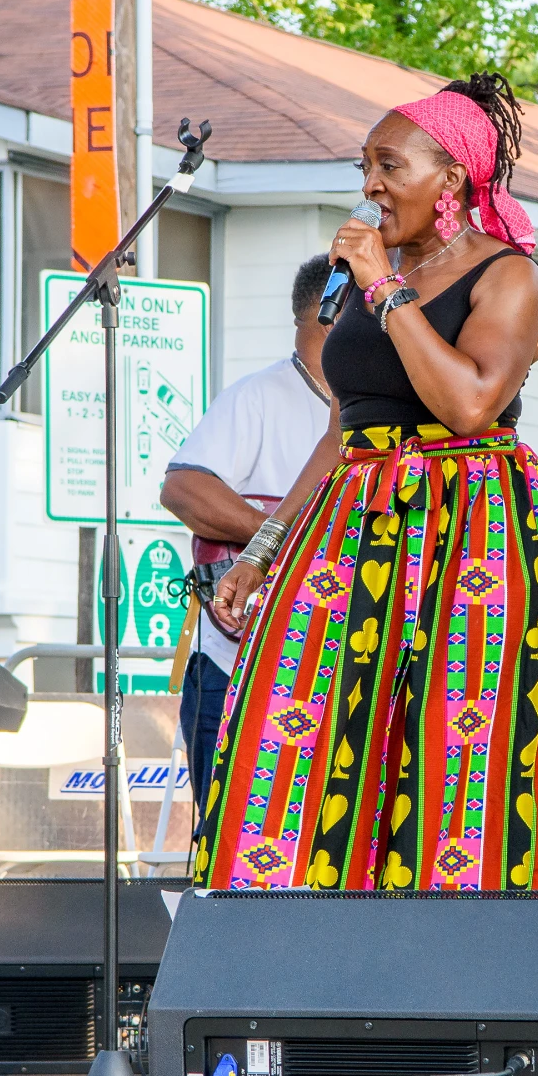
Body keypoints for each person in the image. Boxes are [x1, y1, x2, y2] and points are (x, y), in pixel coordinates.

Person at [194, 72, 538, 893]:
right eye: (365, 167)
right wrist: (262, 548)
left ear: (453, 179)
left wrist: (384, 288)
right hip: (356, 514)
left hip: (471, 521)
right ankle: (292, 933)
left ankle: (466, 950)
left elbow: (471, 403)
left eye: (389, 166)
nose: (370, 185)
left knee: (457, 742)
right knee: (291, 726)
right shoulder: (371, 286)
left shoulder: (507, 276)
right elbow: (346, 427)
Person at [160, 255, 334, 820]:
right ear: (334, 313)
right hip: (236, 670)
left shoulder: (376, 416)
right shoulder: (259, 396)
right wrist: (278, 541)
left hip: (327, 673)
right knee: (225, 838)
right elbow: (183, 488)